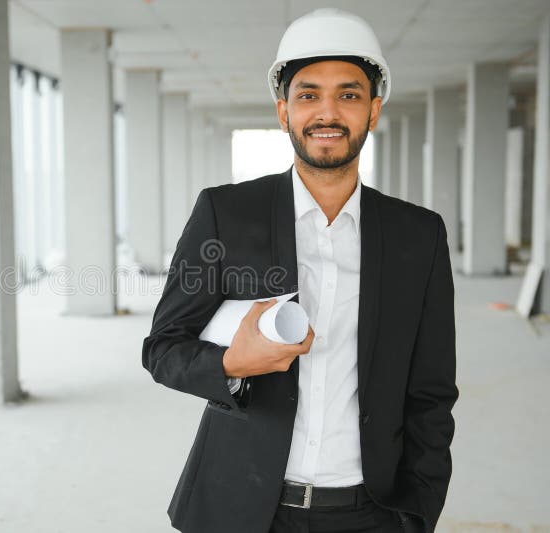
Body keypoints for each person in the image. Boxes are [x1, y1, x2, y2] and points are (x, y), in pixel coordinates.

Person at [141, 8, 458, 533]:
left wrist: (418, 511)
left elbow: (432, 391)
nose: (327, 112)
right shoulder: (226, 214)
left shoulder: (418, 235)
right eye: (308, 95)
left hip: (373, 512)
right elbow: (163, 347)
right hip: (243, 509)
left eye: (349, 95)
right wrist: (231, 364)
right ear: (283, 111)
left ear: (374, 110)